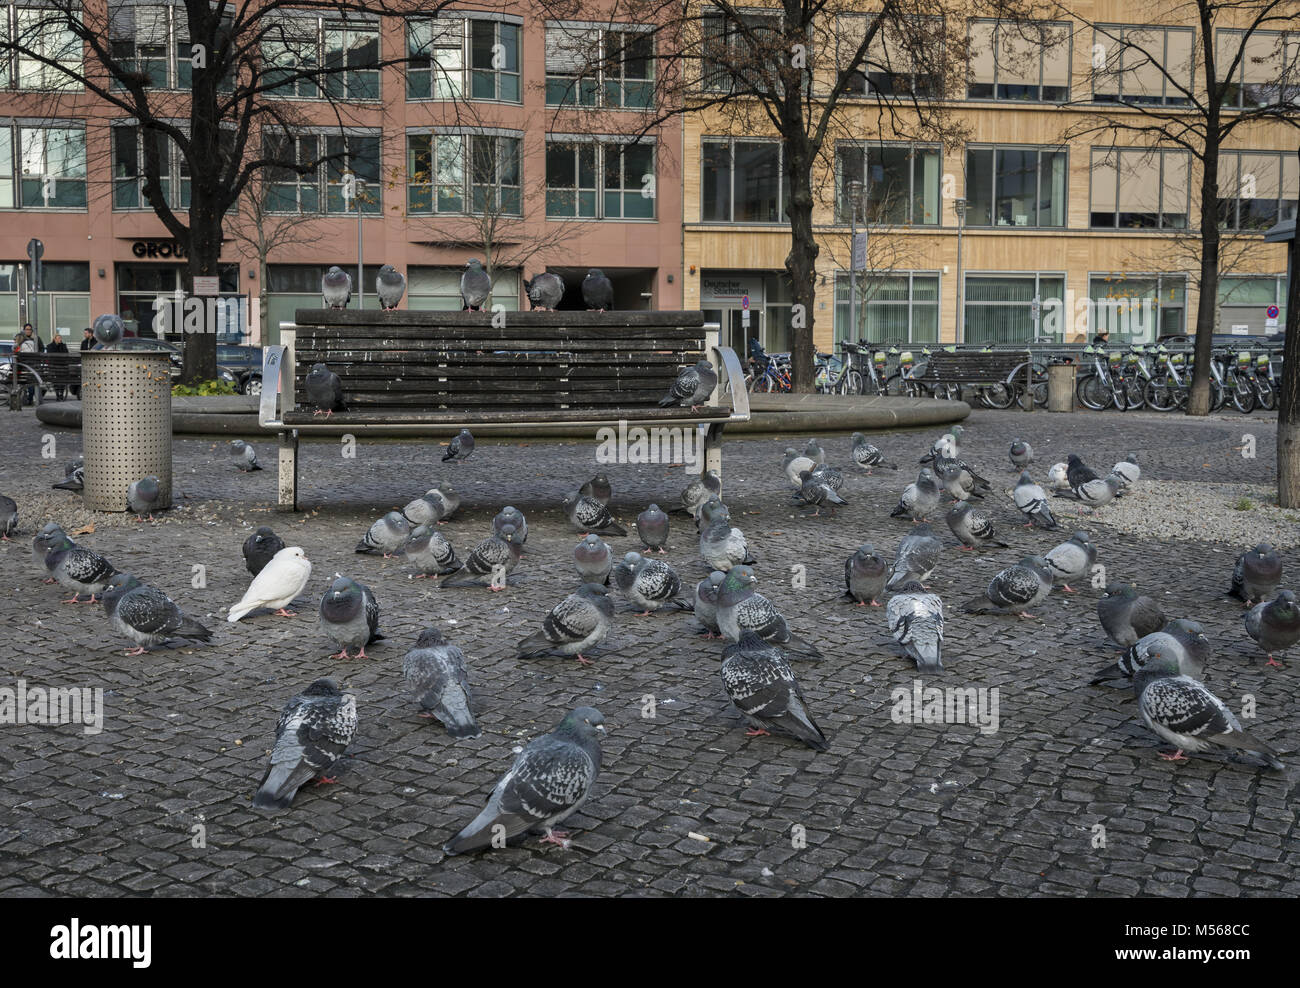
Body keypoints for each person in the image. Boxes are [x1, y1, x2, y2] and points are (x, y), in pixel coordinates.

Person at [17, 324, 39, 404]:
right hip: (26, 365)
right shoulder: (22, 339)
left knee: (29, 382)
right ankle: (28, 399)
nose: (28, 331)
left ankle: (29, 399)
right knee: (28, 382)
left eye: (29, 329)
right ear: (24, 330)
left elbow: (41, 348)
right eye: (27, 329)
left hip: (29, 365)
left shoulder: (35, 339)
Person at [47, 332, 69, 400]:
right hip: (54, 366)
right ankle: (57, 394)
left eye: (60, 338)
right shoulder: (50, 346)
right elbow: (51, 356)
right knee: (56, 381)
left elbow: (66, 354)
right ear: (55, 339)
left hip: (62, 366)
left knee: (62, 380)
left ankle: (61, 394)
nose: (60, 339)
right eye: (58, 338)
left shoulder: (63, 345)